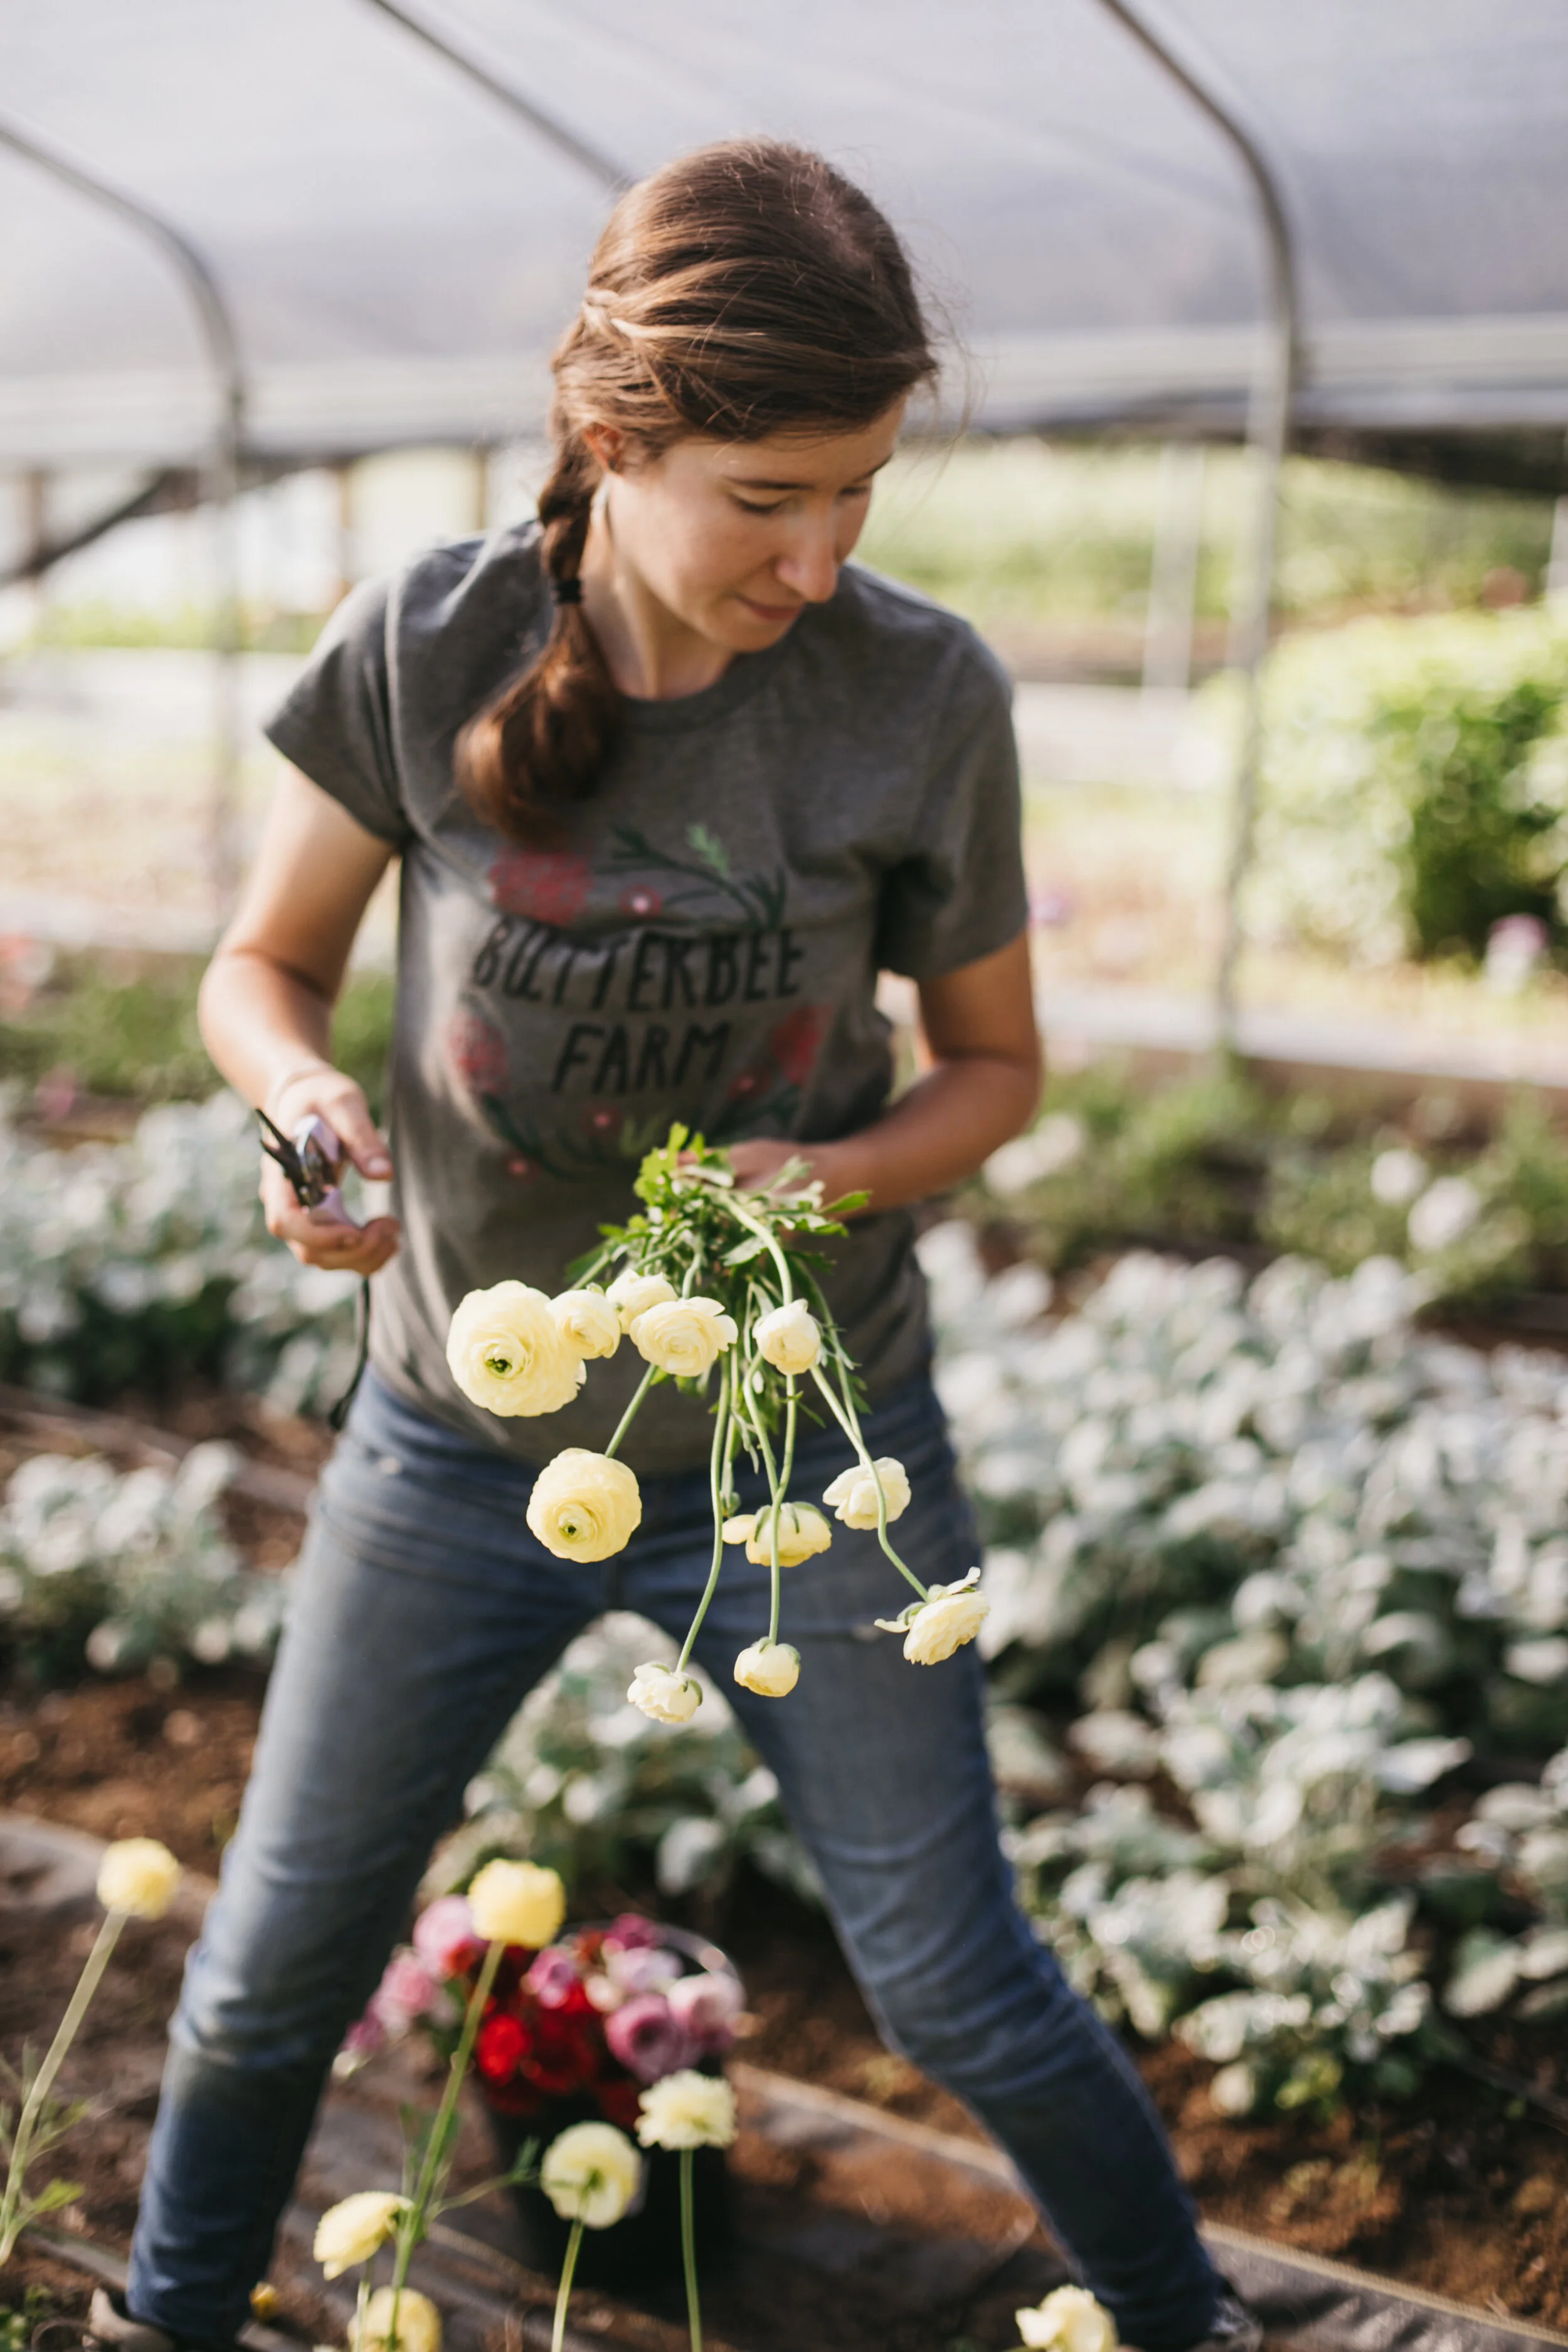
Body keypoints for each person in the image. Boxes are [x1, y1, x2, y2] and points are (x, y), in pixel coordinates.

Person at [110, 139, 1256, 2352]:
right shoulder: (425, 640)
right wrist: (305, 1101)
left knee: (948, 1977)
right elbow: (258, 967)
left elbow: (994, 1074)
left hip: (806, 1451)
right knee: (268, 1974)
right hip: (455, 1448)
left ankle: (1185, 2323)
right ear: (616, 438)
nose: (820, 559)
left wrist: (806, 1182)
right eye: (767, 498)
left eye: (862, 492)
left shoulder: (924, 700)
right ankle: (163, 2323)